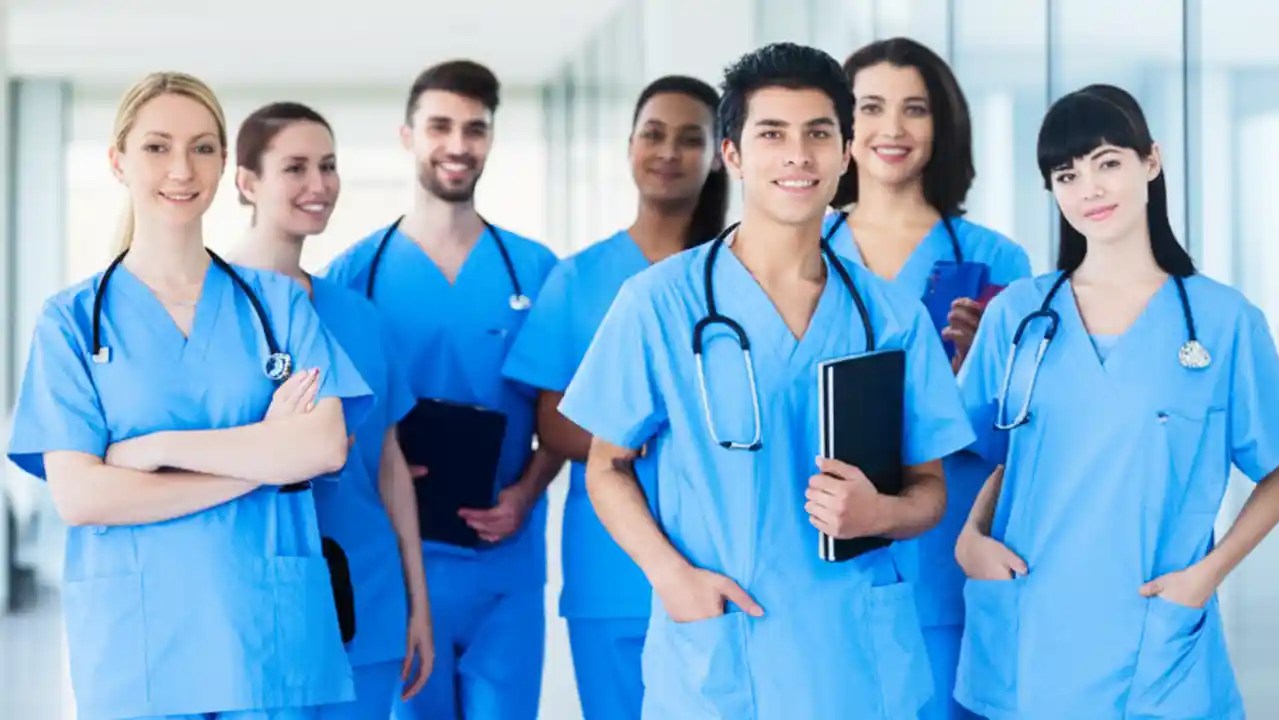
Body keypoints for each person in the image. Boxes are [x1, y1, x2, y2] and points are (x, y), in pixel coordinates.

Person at [559, 42, 977, 719]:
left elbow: (928, 486)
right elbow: (605, 466)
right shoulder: (659, 303)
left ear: (846, 153)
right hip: (722, 655)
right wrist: (672, 578)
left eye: (818, 134)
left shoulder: (889, 315)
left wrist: (882, 514)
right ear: (733, 155)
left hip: (855, 664)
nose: (797, 155)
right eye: (772, 134)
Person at [6, 72, 373, 720]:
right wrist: (260, 462)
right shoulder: (70, 320)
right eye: (157, 147)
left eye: (203, 147)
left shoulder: (276, 302)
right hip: (139, 646)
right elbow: (83, 496)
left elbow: (322, 447)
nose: (182, 167)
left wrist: (155, 450)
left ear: (224, 163)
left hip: (269, 640)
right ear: (118, 160)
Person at [953, 84, 1279, 719]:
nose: (1089, 190)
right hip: (1029, 628)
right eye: (1067, 175)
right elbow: (978, 455)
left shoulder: (1222, 321)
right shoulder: (1019, 314)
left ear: (1150, 162)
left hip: (1153, 637)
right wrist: (969, 539)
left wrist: (1206, 576)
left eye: (1108, 163)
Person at [322, 60, 562, 720]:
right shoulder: (353, 276)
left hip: (504, 566)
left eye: (475, 129)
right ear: (408, 136)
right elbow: (325, 425)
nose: (458, 144)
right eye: (440, 126)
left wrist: (527, 491)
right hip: (395, 565)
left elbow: (565, 418)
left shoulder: (536, 270)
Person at [501, 75, 728, 720]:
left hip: (718, 555)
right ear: (630, 145)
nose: (668, 152)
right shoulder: (578, 278)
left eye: (691, 139)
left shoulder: (737, 274)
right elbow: (557, 427)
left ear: (718, 155)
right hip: (609, 569)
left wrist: (634, 428)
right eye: (653, 134)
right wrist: (671, 432)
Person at [823, 37, 1032, 719]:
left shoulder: (995, 258)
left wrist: (981, 371)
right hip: (824, 553)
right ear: (841, 127)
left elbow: (1026, 427)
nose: (892, 128)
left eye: (914, 109)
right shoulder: (799, 250)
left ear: (941, 126)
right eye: (871, 108)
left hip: (946, 561)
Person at [229, 101, 435, 720]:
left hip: (368, 595)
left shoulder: (359, 316)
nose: (318, 185)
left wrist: (417, 601)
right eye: (295, 167)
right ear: (247, 182)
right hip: (255, 600)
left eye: (329, 165)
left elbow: (389, 466)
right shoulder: (211, 308)